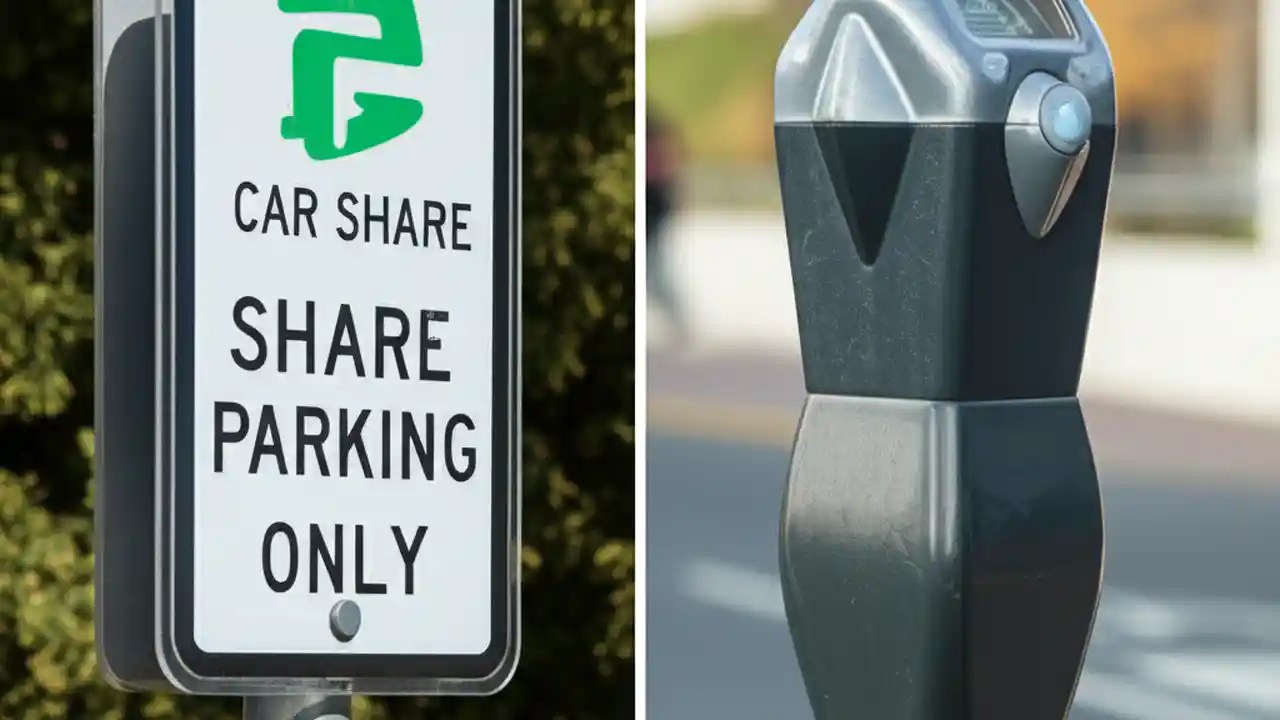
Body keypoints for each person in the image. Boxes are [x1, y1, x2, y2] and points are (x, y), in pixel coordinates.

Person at [646, 111, 688, 344]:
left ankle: (680, 324)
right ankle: (679, 324)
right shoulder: (653, 127)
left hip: (655, 208)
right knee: (655, 272)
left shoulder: (652, 129)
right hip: (655, 207)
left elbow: (667, 170)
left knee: (655, 272)